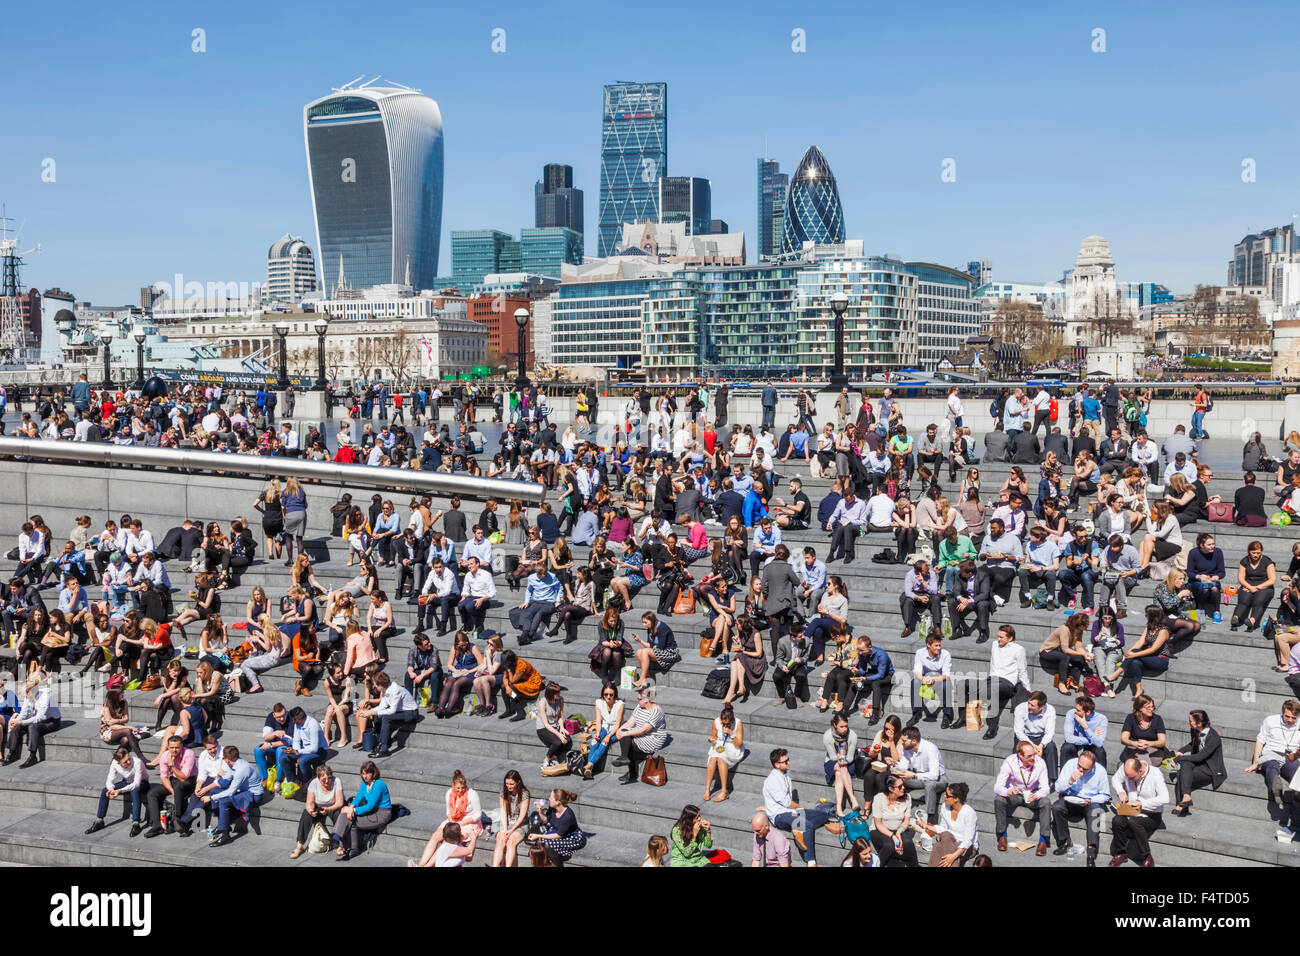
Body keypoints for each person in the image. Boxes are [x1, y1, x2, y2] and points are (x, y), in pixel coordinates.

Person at [762, 747, 842, 866]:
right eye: (785, 761)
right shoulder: (772, 780)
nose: (788, 763)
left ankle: (797, 828)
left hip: (791, 812)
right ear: (777, 765)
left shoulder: (786, 772)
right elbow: (786, 803)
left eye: (788, 759)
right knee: (807, 825)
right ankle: (810, 861)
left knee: (824, 815)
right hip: (779, 815)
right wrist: (799, 807)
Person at [1051, 747, 1110, 865]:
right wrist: (1070, 781)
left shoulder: (1100, 771)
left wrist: (1091, 799)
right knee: (1057, 807)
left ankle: (1091, 853)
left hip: (1089, 800)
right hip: (1071, 797)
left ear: (1092, 767)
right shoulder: (1070, 764)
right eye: (1079, 766)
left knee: (1095, 812)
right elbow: (1057, 788)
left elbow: (1106, 795)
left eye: (1085, 769)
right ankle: (1065, 843)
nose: (1080, 769)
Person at [993, 740, 1052, 856]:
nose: (1033, 758)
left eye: (1034, 754)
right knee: (999, 800)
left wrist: (1037, 795)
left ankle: (1043, 840)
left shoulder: (1040, 763)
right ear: (1020, 755)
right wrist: (1008, 791)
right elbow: (997, 787)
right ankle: (1002, 835)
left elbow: (1046, 788)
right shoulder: (1010, 761)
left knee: (1046, 802)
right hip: (1015, 794)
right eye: (1029, 756)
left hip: (1033, 794)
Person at [1109, 756, 1169, 867]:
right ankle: (1121, 853)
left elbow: (1165, 798)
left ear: (1140, 770)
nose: (1129, 779)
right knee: (1117, 820)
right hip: (1131, 810)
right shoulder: (1127, 768)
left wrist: (1142, 804)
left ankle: (1147, 857)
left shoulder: (1155, 774)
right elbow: (1115, 779)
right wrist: (1121, 791)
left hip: (1151, 814)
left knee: (1133, 822)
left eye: (1132, 778)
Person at [1243, 700, 1299, 809]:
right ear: (1282, 712)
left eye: (1294, 718)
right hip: (1271, 753)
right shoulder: (1270, 721)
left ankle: (1298, 793)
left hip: (1290, 756)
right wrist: (1256, 762)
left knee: (1297, 772)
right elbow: (1260, 741)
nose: (1290, 720)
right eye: (1287, 716)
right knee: (1272, 767)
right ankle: (1276, 790)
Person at [332, 761, 392, 861]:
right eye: (363, 773)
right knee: (347, 815)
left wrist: (352, 810)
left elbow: (369, 806)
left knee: (349, 817)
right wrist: (351, 807)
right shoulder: (365, 784)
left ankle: (338, 839)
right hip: (373, 811)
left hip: (382, 813)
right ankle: (349, 845)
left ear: (373, 772)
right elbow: (358, 797)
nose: (365, 776)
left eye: (367, 773)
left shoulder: (379, 784)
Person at [206, 745, 264, 848]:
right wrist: (206, 790)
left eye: (223, 758)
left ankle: (225, 835)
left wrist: (211, 798)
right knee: (214, 791)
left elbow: (230, 792)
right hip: (243, 791)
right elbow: (226, 779)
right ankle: (222, 825)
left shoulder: (241, 770)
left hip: (254, 796)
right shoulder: (235, 763)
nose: (223, 760)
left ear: (227, 760)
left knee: (223, 800)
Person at [1171, 709, 1226, 816]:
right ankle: (1186, 797)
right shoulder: (1195, 730)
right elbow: (1193, 744)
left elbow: (1200, 757)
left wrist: (1177, 759)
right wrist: (1182, 750)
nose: (1188, 722)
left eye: (1190, 721)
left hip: (1211, 769)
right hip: (1200, 764)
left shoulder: (1214, 737)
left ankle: (1181, 805)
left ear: (1199, 723)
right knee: (1185, 766)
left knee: (1182, 771)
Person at [85, 745, 148, 838]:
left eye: (129, 758)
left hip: (142, 783)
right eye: (125, 762)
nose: (129, 762)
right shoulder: (114, 763)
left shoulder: (137, 762)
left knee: (134, 791)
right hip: (127, 782)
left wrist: (119, 791)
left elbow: (136, 784)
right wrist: (111, 790)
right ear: (119, 763)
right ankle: (99, 820)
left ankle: (136, 823)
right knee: (104, 791)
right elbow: (109, 780)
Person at [614, 683, 668, 784]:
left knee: (627, 736)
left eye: (639, 698)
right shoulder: (640, 707)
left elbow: (644, 730)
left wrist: (625, 734)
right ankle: (626, 762)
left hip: (652, 740)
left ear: (647, 699)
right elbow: (631, 721)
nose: (637, 700)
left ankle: (629, 767)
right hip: (641, 735)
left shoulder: (656, 711)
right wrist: (619, 730)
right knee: (625, 727)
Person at [289, 764, 345, 859]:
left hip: (333, 805)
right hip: (318, 806)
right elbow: (309, 803)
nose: (327, 781)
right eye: (323, 779)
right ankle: (299, 846)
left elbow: (339, 802)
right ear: (318, 778)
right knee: (306, 815)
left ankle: (340, 844)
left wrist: (329, 809)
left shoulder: (337, 781)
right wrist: (310, 810)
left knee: (339, 815)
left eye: (329, 778)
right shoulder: (314, 783)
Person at [985, 624, 1030, 739]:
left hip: (1007, 683)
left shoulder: (1019, 649)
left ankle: (992, 727)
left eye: (1001, 637)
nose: (998, 639)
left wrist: (1028, 688)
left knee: (992, 690)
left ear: (1010, 638)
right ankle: (961, 718)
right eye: (998, 636)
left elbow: (1022, 670)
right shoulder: (994, 645)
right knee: (966, 684)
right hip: (992, 679)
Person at [895, 726, 947, 823]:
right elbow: (903, 766)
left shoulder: (930, 748)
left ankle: (930, 822)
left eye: (904, 740)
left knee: (929, 784)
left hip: (939, 779)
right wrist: (894, 764)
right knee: (895, 778)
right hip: (919, 777)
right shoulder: (907, 748)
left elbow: (934, 775)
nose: (902, 742)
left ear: (914, 741)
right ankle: (895, 811)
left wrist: (914, 776)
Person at [526, 789, 585, 866]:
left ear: (558, 802)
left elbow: (558, 835)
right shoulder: (553, 808)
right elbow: (546, 821)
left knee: (547, 844)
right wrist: (540, 812)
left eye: (551, 797)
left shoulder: (567, 816)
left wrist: (538, 835)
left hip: (571, 837)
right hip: (556, 830)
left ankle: (557, 864)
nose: (548, 799)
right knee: (540, 842)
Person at [870, 775, 917, 867]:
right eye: (899, 787)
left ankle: (914, 865)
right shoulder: (879, 798)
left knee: (907, 842)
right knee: (889, 845)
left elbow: (906, 821)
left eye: (903, 785)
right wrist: (893, 837)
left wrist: (898, 833)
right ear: (891, 789)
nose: (903, 788)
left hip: (898, 829)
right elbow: (878, 824)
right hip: (880, 830)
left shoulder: (907, 798)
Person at [910, 632, 954, 728]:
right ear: (928, 645)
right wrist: (924, 679)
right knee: (914, 682)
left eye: (939, 645)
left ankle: (947, 715)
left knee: (947, 684)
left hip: (939, 679)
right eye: (936, 645)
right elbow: (917, 671)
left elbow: (946, 675)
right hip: (926, 678)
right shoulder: (920, 653)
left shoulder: (945, 654)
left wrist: (933, 679)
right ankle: (916, 713)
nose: (938, 648)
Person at [704, 703, 744, 802]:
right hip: (720, 745)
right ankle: (707, 790)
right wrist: (712, 740)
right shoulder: (716, 721)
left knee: (720, 759)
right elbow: (715, 737)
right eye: (723, 724)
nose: (725, 725)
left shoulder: (738, 723)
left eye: (727, 724)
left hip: (733, 747)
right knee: (713, 759)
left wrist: (731, 733)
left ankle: (724, 791)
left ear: (732, 720)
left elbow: (738, 744)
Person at [1233, 540, 1276, 632]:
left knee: (1258, 601)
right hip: (1249, 584)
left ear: (1261, 552)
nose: (1256, 555)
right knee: (1243, 600)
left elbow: (1272, 580)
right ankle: (1235, 618)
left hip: (1264, 586)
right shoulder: (1244, 561)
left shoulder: (1267, 561)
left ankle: (1251, 621)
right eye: (1253, 553)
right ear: (1249, 552)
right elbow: (1241, 578)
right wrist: (1249, 587)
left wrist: (1256, 588)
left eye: (1258, 553)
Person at [823, 712, 860, 817]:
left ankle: (839, 808)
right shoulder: (827, 736)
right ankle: (853, 799)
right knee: (840, 770)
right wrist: (839, 759)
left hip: (849, 762)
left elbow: (851, 757)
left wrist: (844, 761)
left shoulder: (852, 735)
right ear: (835, 725)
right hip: (832, 761)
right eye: (841, 726)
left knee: (840, 772)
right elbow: (832, 757)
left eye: (846, 726)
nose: (844, 729)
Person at [491, 770, 531, 867]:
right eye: (507, 783)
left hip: (520, 824)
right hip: (507, 821)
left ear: (518, 782)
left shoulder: (524, 794)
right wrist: (505, 829)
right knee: (500, 839)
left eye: (511, 784)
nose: (509, 786)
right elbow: (503, 811)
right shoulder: (503, 792)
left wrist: (512, 830)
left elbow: (522, 816)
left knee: (511, 841)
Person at [1061, 695, 1110, 768]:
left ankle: (1100, 778)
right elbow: (1068, 738)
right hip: (1076, 742)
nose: (1075, 711)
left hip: (1092, 746)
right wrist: (1090, 739)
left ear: (1088, 712)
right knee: (1067, 747)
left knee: (1100, 751)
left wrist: (1085, 727)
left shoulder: (1101, 719)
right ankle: (1065, 777)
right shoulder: (1071, 714)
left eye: (1078, 710)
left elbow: (1099, 743)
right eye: (1075, 708)